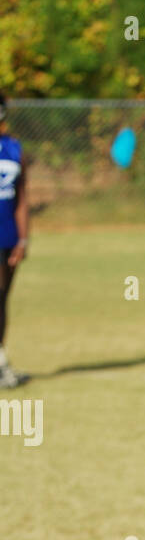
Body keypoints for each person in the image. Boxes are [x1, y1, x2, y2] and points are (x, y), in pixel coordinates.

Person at [0, 91, 31, 389]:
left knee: (2, 299)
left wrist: (22, 239)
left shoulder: (13, 149)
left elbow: (22, 198)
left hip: (7, 234)